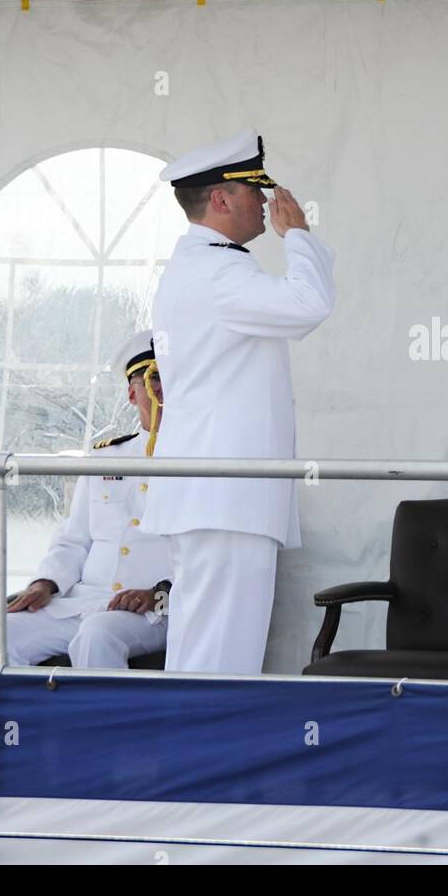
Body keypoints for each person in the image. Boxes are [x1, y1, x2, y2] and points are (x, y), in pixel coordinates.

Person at [142, 130, 336, 675]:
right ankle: (206, 758)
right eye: (255, 190)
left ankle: (201, 755)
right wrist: (298, 237)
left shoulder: (203, 267)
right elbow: (309, 303)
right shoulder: (218, 272)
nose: (266, 202)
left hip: (218, 498)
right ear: (223, 199)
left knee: (207, 648)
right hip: (224, 498)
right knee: (220, 657)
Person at [0, 330, 172, 669]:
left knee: (97, 636)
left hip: (154, 610)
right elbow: (74, 539)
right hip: (83, 601)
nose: (157, 389)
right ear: (132, 394)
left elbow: (205, 554)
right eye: (148, 379)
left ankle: (99, 724)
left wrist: (160, 594)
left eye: (165, 379)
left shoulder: (204, 461)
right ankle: (13, 722)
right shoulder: (106, 457)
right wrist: (44, 583)